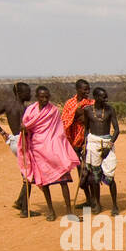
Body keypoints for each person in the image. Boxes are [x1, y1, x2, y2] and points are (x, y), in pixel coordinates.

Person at [18, 85, 80, 220]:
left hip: (54, 149)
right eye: (42, 97)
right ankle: (51, 211)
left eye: (47, 97)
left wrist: (57, 146)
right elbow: (26, 127)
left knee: (63, 180)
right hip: (38, 149)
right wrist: (24, 128)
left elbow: (59, 131)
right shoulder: (30, 110)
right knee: (44, 182)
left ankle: (69, 211)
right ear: (37, 97)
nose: (45, 99)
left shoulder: (53, 111)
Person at [0, 81, 32, 213]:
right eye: (27, 92)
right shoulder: (25, 109)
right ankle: (24, 209)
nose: (30, 94)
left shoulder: (8, 104)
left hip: (14, 141)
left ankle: (20, 202)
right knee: (29, 175)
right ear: (20, 93)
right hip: (22, 141)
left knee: (26, 173)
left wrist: (2, 132)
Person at [78, 87, 121, 215]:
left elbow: (117, 130)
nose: (106, 99)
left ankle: (115, 205)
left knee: (110, 175)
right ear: (96, 97)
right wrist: (85, 146)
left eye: (106, 97)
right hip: (92, 143)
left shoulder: (110, 110)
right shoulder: (87, 110)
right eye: (103, 97)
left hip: (107, 142)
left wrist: (109, 146)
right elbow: (86, 129)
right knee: (94, 178)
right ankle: (97, 203)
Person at [62, 79, 93, 201]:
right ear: (78, 89)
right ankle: (89, 199)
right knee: (81, 171)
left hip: (88, 140)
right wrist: (76, 114)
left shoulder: (91, 103)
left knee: (88, 172)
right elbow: (64, 121)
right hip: (73, 142)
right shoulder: (69, 104)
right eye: (85, 89)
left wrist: (82, 115)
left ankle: (95, 201)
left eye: (88, 89)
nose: (87, 91)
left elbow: (90, 120)